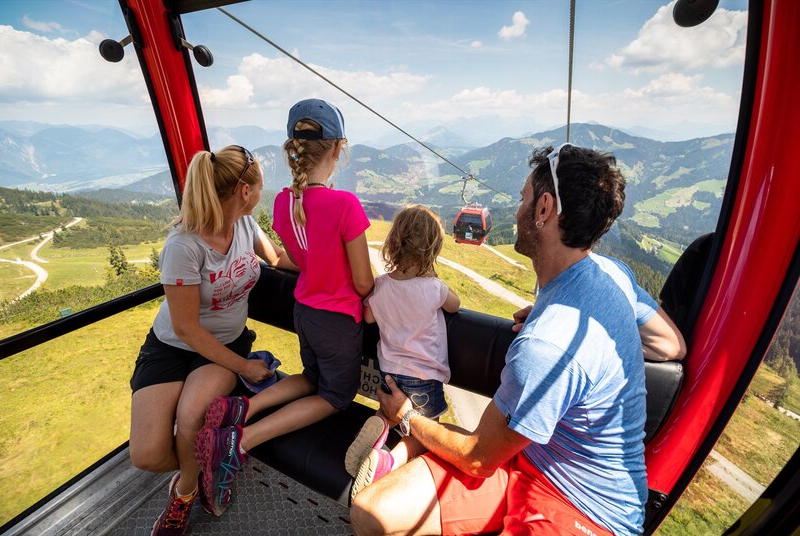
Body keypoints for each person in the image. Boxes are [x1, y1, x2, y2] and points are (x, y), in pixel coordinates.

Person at [351, 144, 686, 536]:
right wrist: (564, 323)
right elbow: (670, 345)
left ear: (544, 209)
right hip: (521, 459)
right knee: (370, 513)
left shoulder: (549, 344)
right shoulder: (611, 273)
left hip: (583, 508)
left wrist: (405, 415)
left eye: (523, 198)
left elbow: (477, 459)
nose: (517, 208)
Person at [195, 98, 374, 516]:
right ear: (337, 149)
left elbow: (301, 259)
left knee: (312, 375)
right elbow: (363, 281)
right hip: (336, 321)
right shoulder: (344, 205)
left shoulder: (281, 204)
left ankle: (243, 406)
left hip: (304, 313)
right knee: (336, 396)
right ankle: (242, 440)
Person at [128, 144, 297, 535]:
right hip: (172, 346)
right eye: (259, 187)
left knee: (191, 417)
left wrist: (332, 264)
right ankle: (211, 456)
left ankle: (184, 495)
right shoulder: (183, 246)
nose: (261, 194)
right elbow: (187, 329)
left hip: (223, 346)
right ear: (244, 191)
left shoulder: (245, 226)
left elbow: (278, 260)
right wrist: (245, 367)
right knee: (147, 454)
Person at [345, 205, 461, 499]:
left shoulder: (381, 287)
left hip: (390, 372)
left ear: (394, 243)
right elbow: (455, 305)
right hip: (424, 376)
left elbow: (369, 317)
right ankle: (388, 460)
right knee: (424, 433)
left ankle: (380, 426)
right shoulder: (433, 288)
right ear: (432, 250)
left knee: (392, 411)